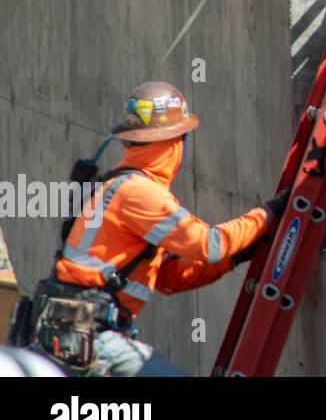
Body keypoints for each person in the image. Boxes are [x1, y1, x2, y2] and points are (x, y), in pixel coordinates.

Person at [22, 82, 284, 376]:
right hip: (88, 331)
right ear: (173, 143)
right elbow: (208, 244)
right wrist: (269, 214)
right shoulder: (138, 192)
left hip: (70, 327)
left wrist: (235, 257)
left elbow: (169, 278)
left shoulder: (119, 184)